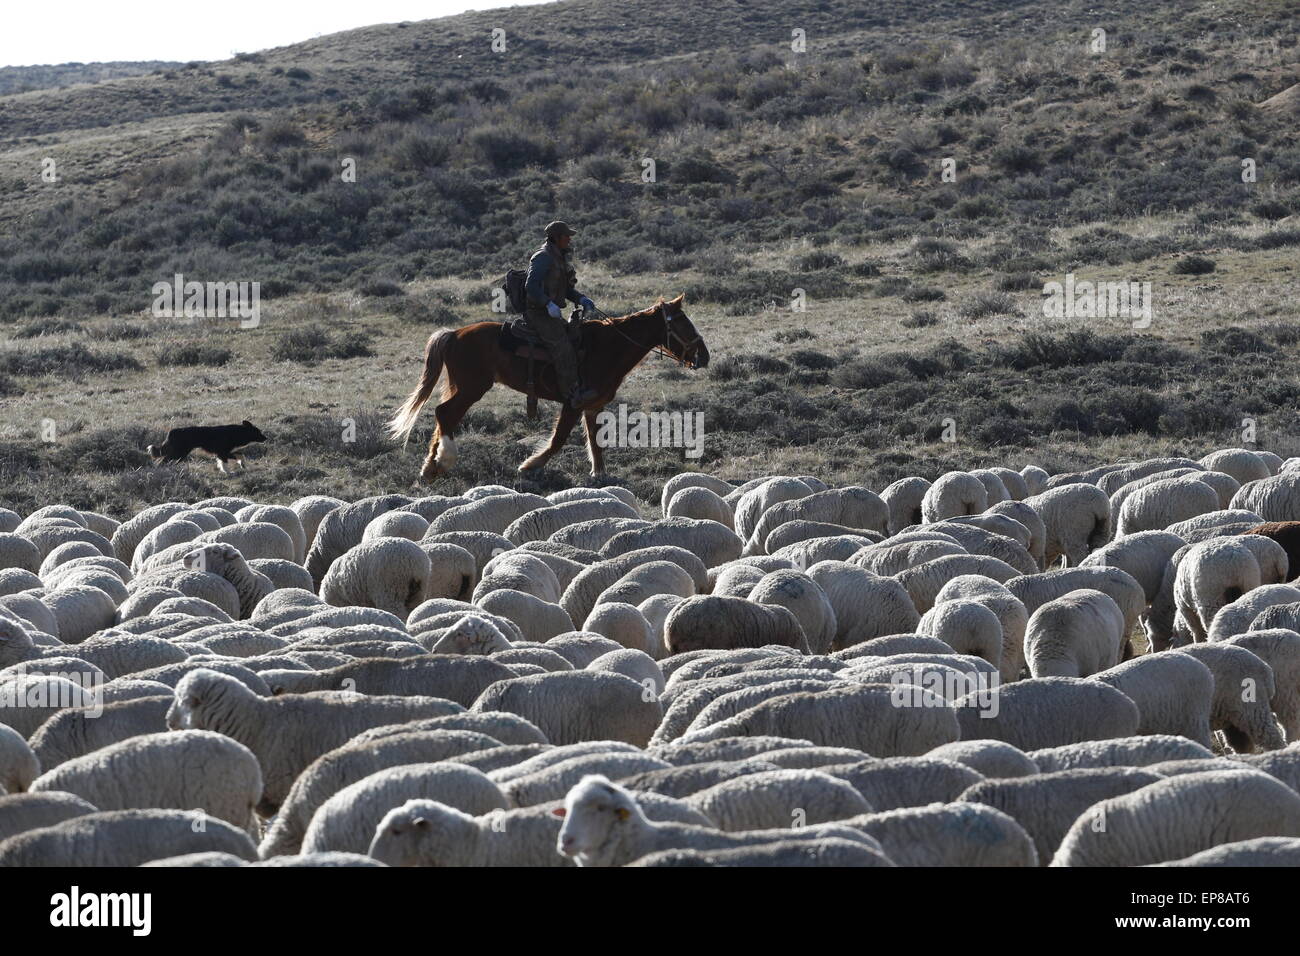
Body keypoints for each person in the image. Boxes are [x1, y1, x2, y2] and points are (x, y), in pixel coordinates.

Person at [524, 220, 599, 408]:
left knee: (577, 337)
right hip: (538, 313)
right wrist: (547, 303)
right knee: (563, 347)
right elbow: (531, 286)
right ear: (556, 237)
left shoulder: (558, 257)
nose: (569, 239)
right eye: (566, 236)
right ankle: (572, 393)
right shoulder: (543, 257)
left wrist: (580, 299)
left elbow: (564, 289)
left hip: (551, 313)